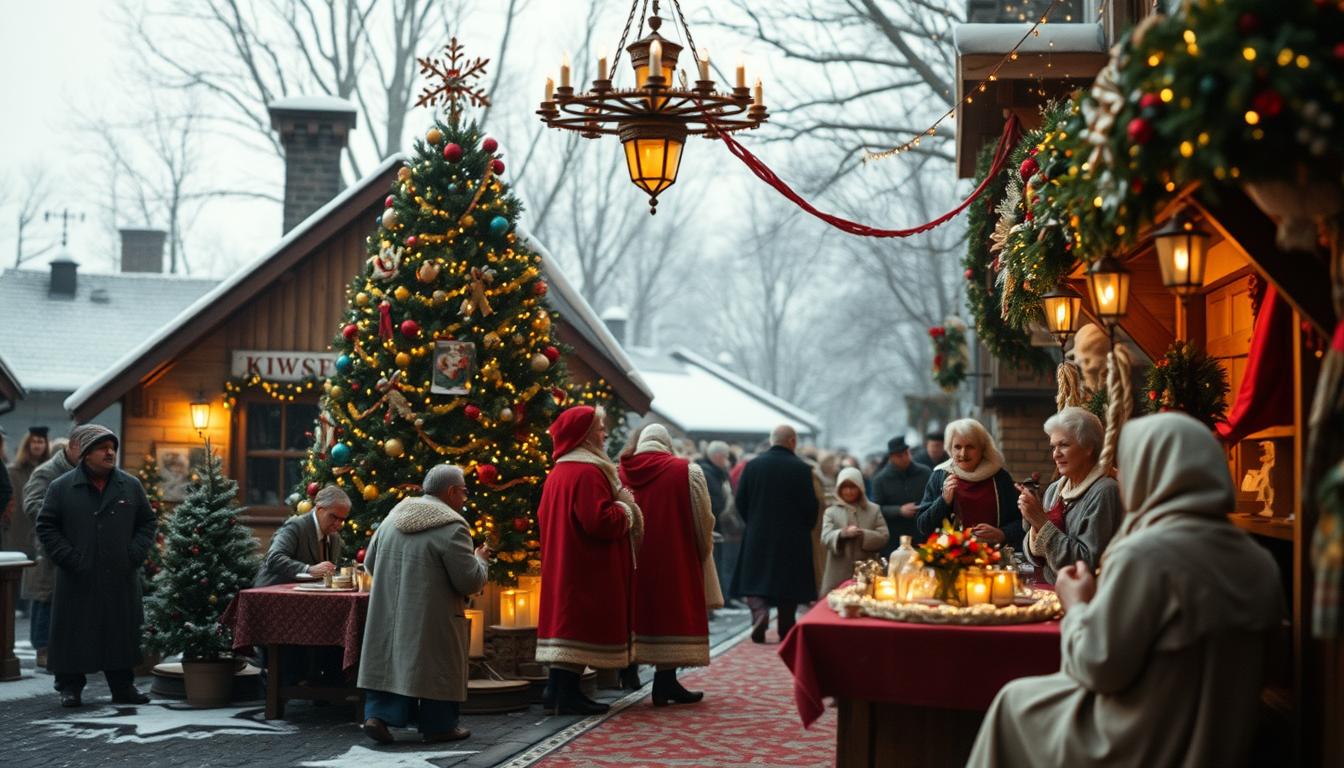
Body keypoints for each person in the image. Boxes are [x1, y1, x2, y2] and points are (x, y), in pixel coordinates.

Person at [968, 413, 1283, 767]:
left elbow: (1097, 668)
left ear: (1151, 473)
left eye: (1128, 466)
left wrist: (1077, 604)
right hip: (1222, 743)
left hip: (1144, 738)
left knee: (1012, 701)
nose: (1119, 476)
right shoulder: (1259, 562)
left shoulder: (1144, 555)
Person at [359, 465, 489, 744]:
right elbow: (469, 582)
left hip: (389, 610)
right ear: (451, 491)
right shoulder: (453, 526)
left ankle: (377, 716)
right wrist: (481, 560)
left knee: (390, 658)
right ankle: (439, 726)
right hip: (433, 616)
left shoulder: (394, 516)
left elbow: (369, 562)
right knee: (436, 663)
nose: (465, 498)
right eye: (464, 491)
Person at [35, 424, 155, 708]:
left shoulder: (130, 485)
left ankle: (123, 687)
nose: (110, 452)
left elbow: (147, 523)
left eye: (112, 447)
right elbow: (46, 526)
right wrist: (69, 557)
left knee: (119, 632)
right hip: (77, 576)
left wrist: (133, 554)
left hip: (119, 575)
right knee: (73, 633)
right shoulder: (61, 487)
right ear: (86, 454)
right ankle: (70, 687)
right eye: (102, 448)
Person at [535, 405, 643, 715]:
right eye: (599, 428)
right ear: (584, 436)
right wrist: (626, 509)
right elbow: (599, 521)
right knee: (577, 628)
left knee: (567, 627)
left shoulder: (560, 471)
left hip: (566, 561)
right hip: (586, 565)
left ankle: (556, 691)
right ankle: (567, 695)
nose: (604, 434)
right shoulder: (588, 471)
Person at [618, 423, 721, 705]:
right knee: (671, 613)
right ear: (667, 444)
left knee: (634, 612)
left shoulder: (619, 472)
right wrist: (703, 550)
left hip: (631, 558)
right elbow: (704, 519)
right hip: (674, 555)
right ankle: (666, 681)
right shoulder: (686, 472)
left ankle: (628, 671)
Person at [731, 424, 820, 643]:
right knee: (787, 584)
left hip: (758, 533)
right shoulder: (801, 468)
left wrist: (753, 522)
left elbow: (740, 500)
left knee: (755, 579)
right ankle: (786, 627)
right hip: (792, 536)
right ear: (792, 441)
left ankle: (760, 612)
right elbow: (811, 506)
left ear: (772, 441)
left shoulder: (752, 466)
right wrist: (805, 528)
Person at [1015, 407, 1124, 583]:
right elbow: (1036, 559)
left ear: (1088, 447)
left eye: (1064, 445)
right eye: (1053, 447)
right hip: (1053, 591)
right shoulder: (1054, 490)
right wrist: (1033, 522)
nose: (1056, 454)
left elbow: (1085, 567)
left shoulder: (1105, 491)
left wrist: (1042, 524)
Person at [915, 419, 1023, 545]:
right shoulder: (940, 476)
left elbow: (1021, 523)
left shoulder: (1000, 477)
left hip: (994, 555)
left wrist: (1003, 534)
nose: (963, 453)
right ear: (950, 449)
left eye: (970, 447)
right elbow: (923, 526)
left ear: (982, 448)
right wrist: (943, 501)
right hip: (951, 555)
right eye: (957, 447)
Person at [24, 432, 81, 670]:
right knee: (46, 596)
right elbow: (32, 504)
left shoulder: (82, 471)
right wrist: (61, 517)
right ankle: (43, 649)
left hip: (76, 545)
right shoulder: (46, 472)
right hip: (51, 546)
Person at [253, 485, 350, 587]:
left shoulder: (334, 538)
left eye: (342, 519)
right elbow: (274, 558)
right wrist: (308, 569)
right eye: (334, 517)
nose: (338, 524)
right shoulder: (296, 526)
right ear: (320, 510)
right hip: (271, 592)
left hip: (307, 593)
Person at [819, 467, 888, 594]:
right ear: (839, 489)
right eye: (845, 487)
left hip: (866, 570)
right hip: (838, 571)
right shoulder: (831, 512)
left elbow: (884, 536)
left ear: (860, 488)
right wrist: (842, 534)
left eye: (853, 487)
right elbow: (825, 536)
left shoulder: (873, 510)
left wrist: (864, 535)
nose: (849, 491)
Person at [8, 427, 51, 621]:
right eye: (34, 441)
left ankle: (28, 605)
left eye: (41, 442)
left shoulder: (48, 471)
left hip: (37, 525)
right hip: (17, 526)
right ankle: (15, 604)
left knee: (36, 566)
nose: (37, 445)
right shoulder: (14, 471)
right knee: (16, 567)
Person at [869, 436, 931, 558]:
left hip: (921, 533)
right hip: (895, 538)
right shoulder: (880, 479)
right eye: (899, 456)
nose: (904, 458)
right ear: (891, 458)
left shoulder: (925, 473)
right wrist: (899, 510)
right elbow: (876, 509)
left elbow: (933, 497)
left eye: (906, 453)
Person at [697, 441, 742, 608]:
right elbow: (713, 502)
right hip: (713, 526)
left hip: (720, 526)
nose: (728, 461)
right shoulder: (708, 474)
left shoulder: (718, 473)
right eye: (725, 457)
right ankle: (716, 601)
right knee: (715, 566)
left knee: (720, 565)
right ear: (717, 456)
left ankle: (723, 598)